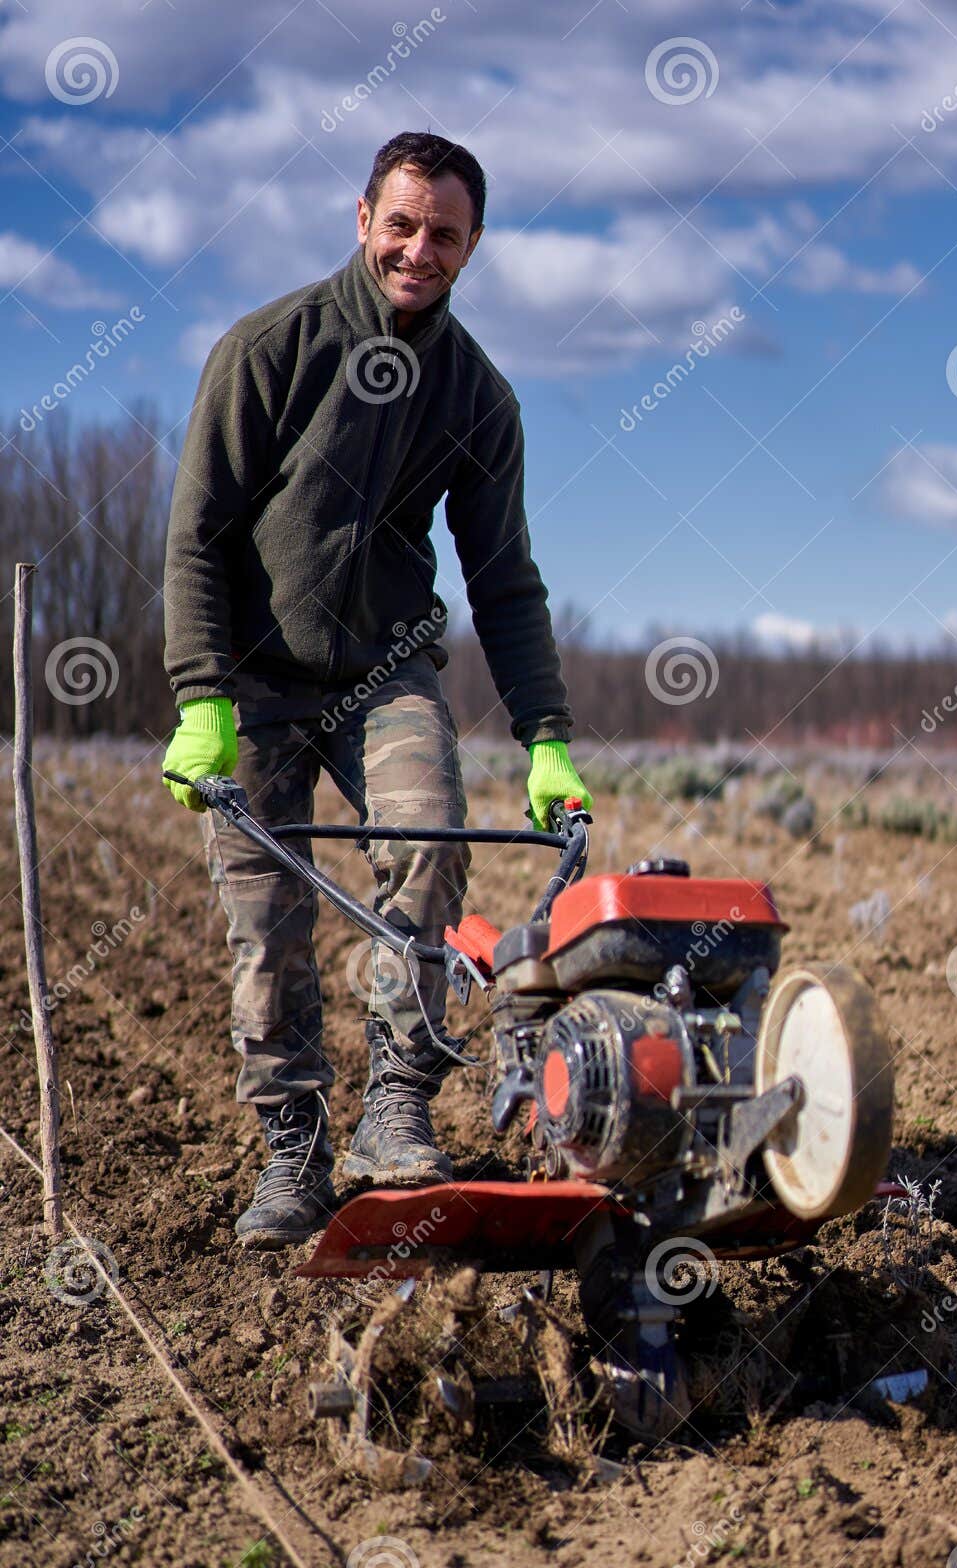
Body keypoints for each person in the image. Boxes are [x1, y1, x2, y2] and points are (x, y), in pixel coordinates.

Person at [161, 131, 591, 1250]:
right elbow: (198, 535)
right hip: (253, 682)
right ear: (362, 220)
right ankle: (293, 1151)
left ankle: (394, 1104)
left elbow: (504, 579)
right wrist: (201, 696)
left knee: (431, 837)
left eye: (443, 233)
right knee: (268, 927)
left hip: (383, 671)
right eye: (400, 224)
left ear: (471, 245)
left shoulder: (477, 395)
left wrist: (546, 735)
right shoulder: (266, 349)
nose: (418, 248)